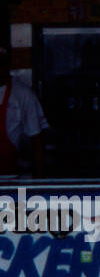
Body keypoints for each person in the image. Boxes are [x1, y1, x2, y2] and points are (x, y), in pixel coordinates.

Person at [0, 47, 48, 178]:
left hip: (14, 178)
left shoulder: (23, 94)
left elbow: (37, 140)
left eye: (1, 64)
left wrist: (39, 183)